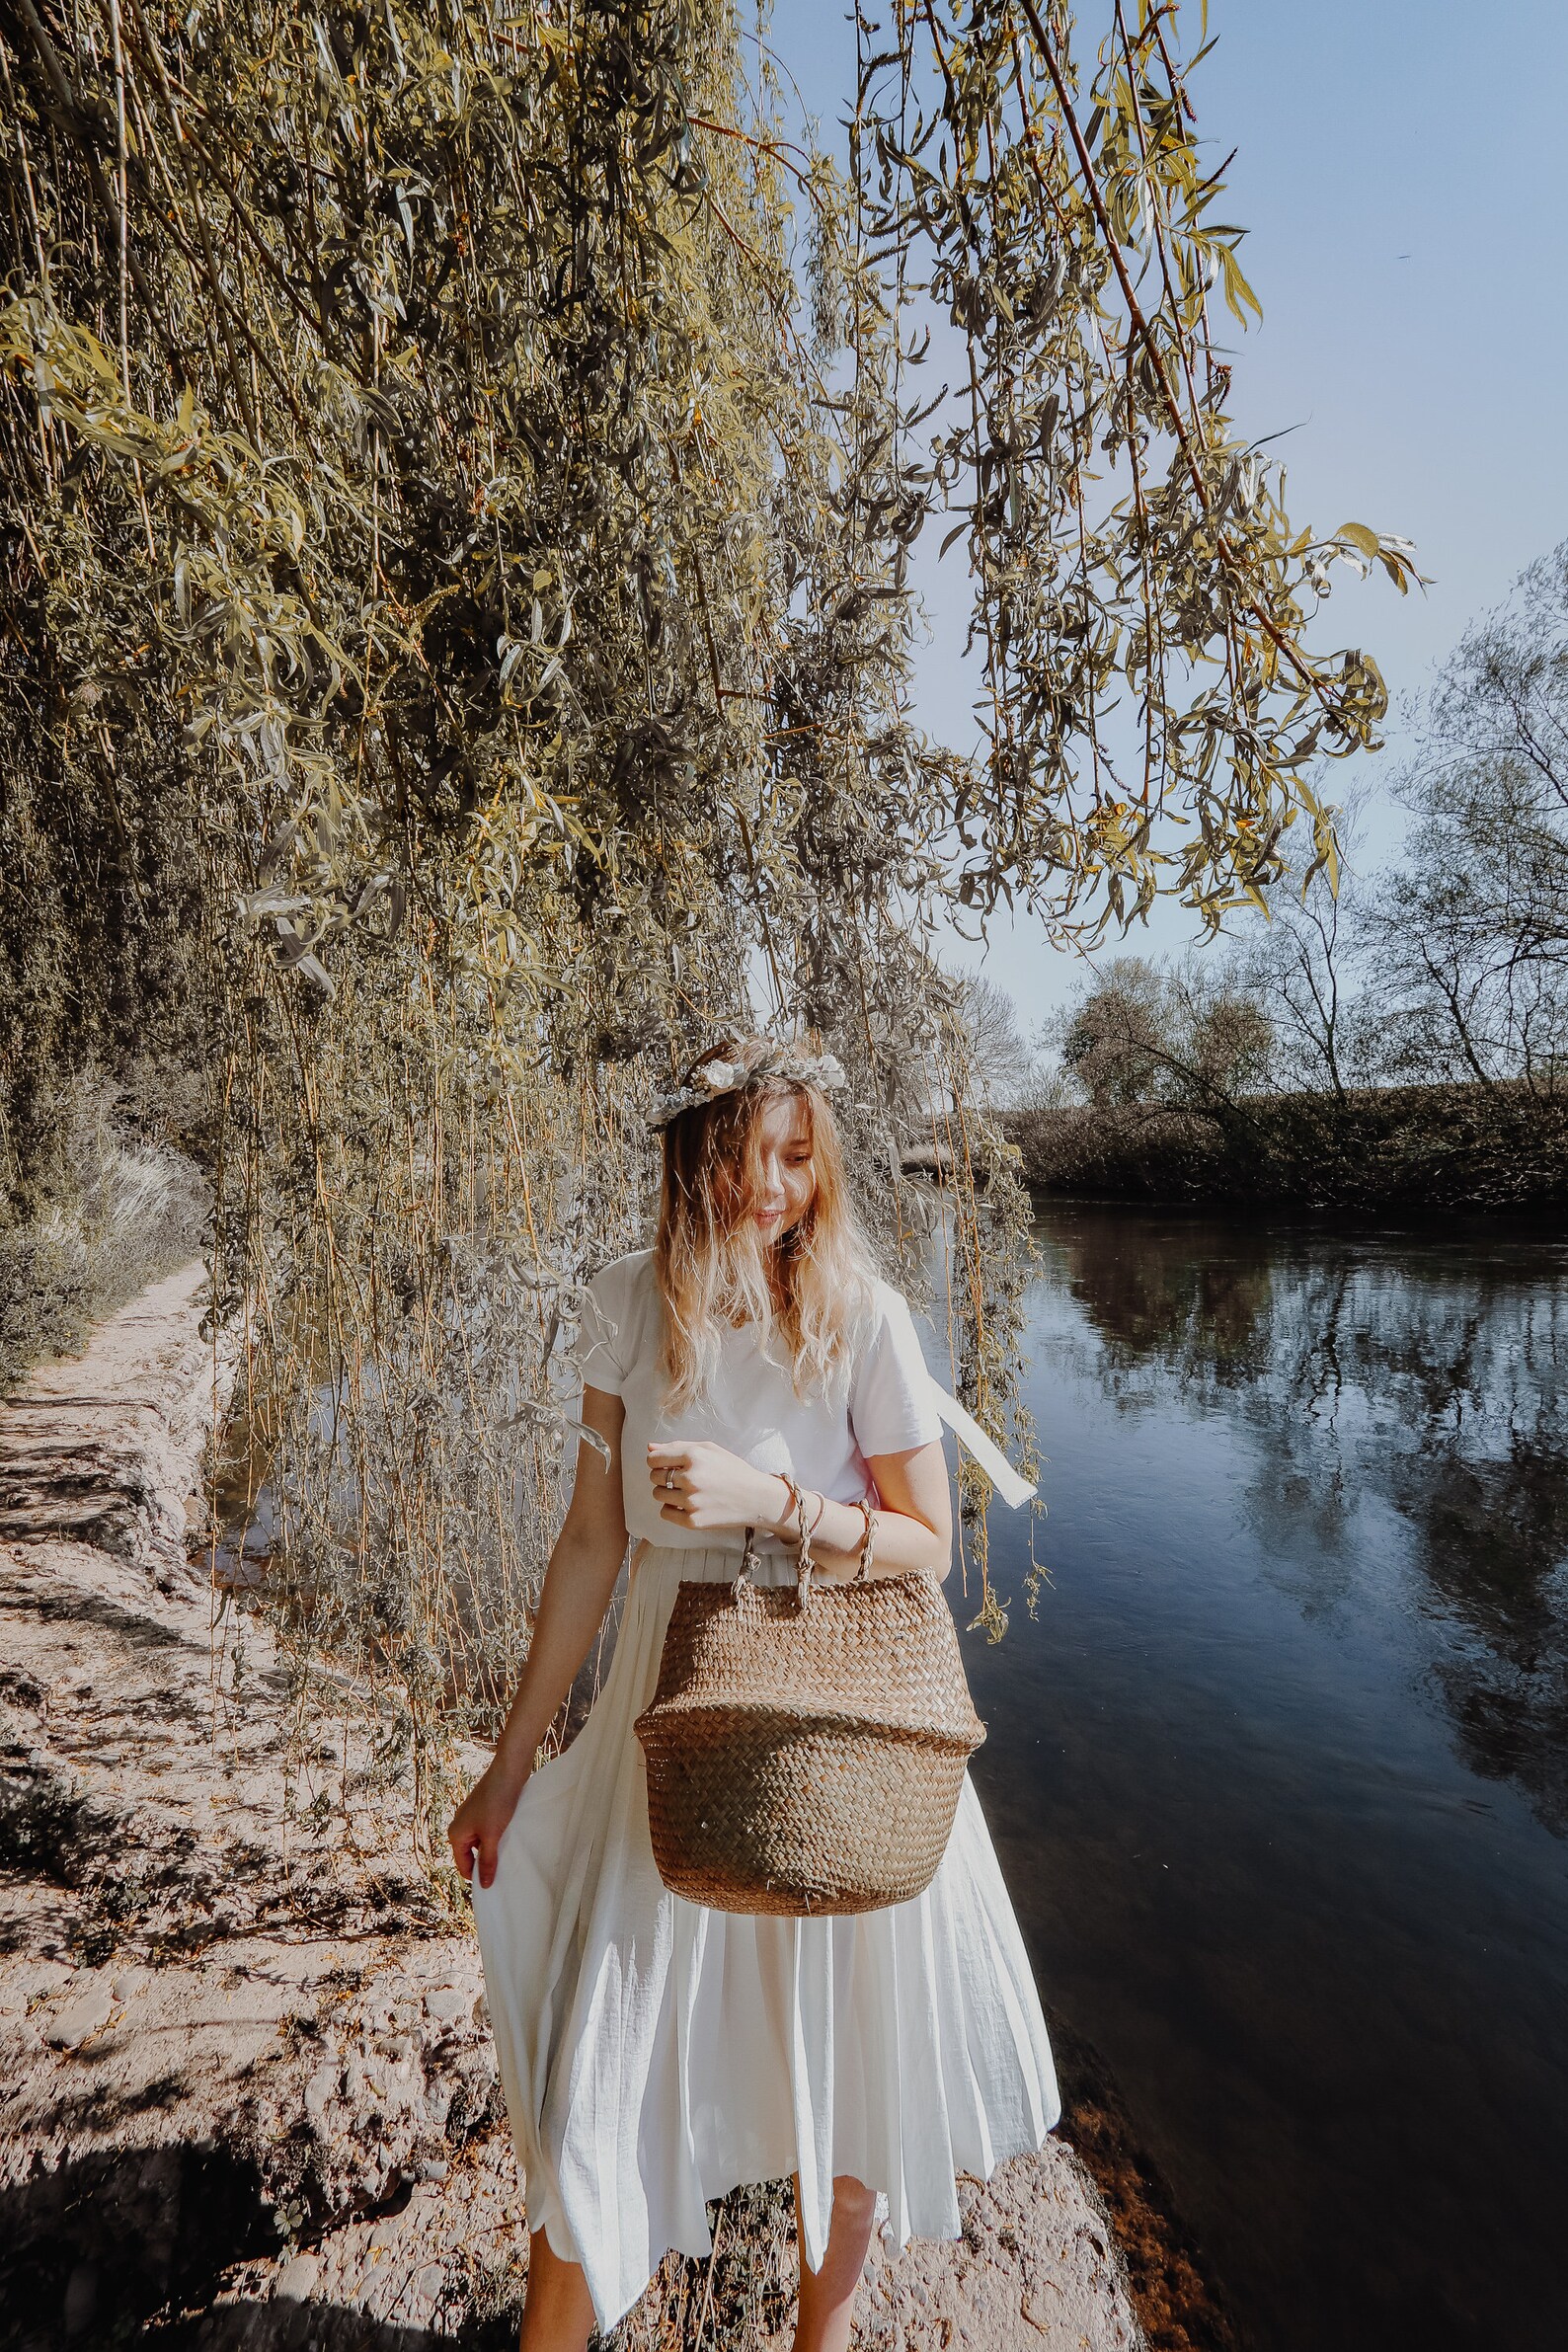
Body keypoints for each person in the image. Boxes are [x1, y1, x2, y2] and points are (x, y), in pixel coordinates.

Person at [448, 1038, 1058, 2352]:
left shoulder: (866, 1312)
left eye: (796, 1154)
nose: (771, 1187)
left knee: (845, 2072)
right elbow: (590, 1545)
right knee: (596, 2088)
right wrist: (507, 1766)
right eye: (742, 1154)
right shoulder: (624, 1301)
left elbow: (928, 1542)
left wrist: (772, 1506)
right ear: (689, 1150)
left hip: (825, 1713)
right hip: (663, 1715)